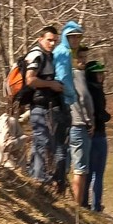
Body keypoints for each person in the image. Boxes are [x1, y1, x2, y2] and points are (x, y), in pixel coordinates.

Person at [24, 26, 64, 193]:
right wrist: (51, 84)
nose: (52, 43)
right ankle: (38, 179)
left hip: (48, 107)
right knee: (42, 142)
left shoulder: (49, 56)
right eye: (49, 40)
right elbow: (30, 80)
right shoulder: (37, 55)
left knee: (42, 142)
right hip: (39, 107)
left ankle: (34, 175)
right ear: (40, 39)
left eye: (55, 41)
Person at [51, 21, 84, 195]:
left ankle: (57, 183)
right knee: (61, 147)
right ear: (66, 37)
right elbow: (63, 78)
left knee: (60, 146)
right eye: (72, 37)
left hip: (60, 102)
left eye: (78, 37)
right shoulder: (63, 53)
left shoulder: (63, 52)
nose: (76, 40)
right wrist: (73, 95)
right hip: (61, 103)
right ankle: (59, 185)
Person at [66, 47, 94, 207]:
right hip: (79, 125)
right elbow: (84, 99)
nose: (83, 60)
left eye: (85, 57)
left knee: (66, 166)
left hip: (69, 125)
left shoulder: (67, 75)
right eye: (80, 58)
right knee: (80, 170)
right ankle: (77, 207)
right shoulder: (76, 75)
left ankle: (65, 202)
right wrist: (90, 120)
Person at [83, 59, 110, 212]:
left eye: (101, 74)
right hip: (96, 136)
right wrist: (105, 116)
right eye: (97, 74)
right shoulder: (95, 91)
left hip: (97, 134)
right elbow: (98, 112)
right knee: (96, 174)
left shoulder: (88, 89)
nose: (100, 76)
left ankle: (87, 204)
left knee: (91, 173)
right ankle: (95, 206)